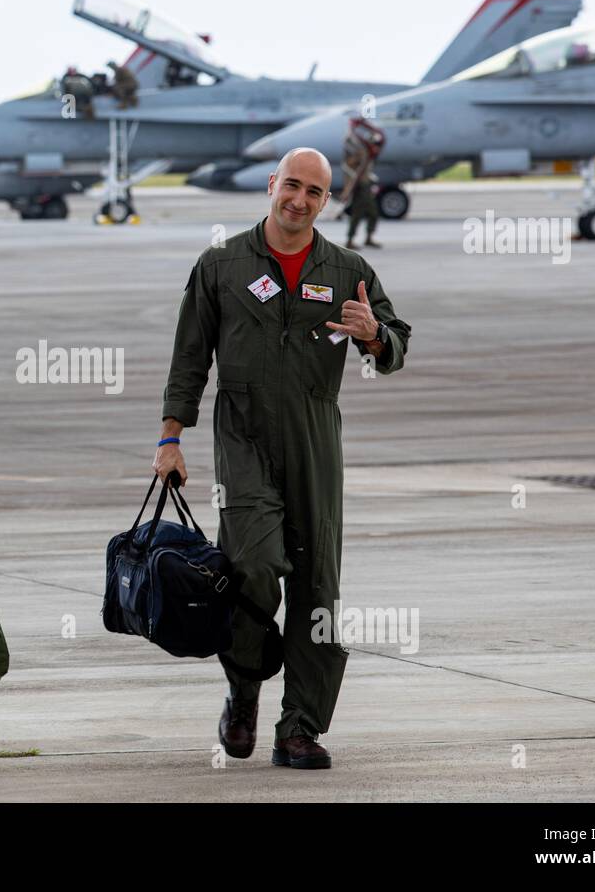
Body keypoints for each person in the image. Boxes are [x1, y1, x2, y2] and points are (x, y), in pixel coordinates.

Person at [155, 147, 410, 769]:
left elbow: (396, 342)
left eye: (314, 193)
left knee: (318, 587)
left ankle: (299, 728)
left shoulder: (348, 268)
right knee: (255, 567)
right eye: (291, 186)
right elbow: (191, 355)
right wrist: (170, 439)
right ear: (272, 186)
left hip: (316, 440)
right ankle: (243, 694)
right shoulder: (221, 264)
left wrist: (372, 334)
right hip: (241, 438)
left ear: (328, 202)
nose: (299, 200)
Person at [346, 168, 381, 249]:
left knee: (374, 215)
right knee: (356, 218)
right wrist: (346, 194)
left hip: (367, 193)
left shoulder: (368, 160)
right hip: (359, 194)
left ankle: (368, 238)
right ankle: (349, 241)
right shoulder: (359, 159)